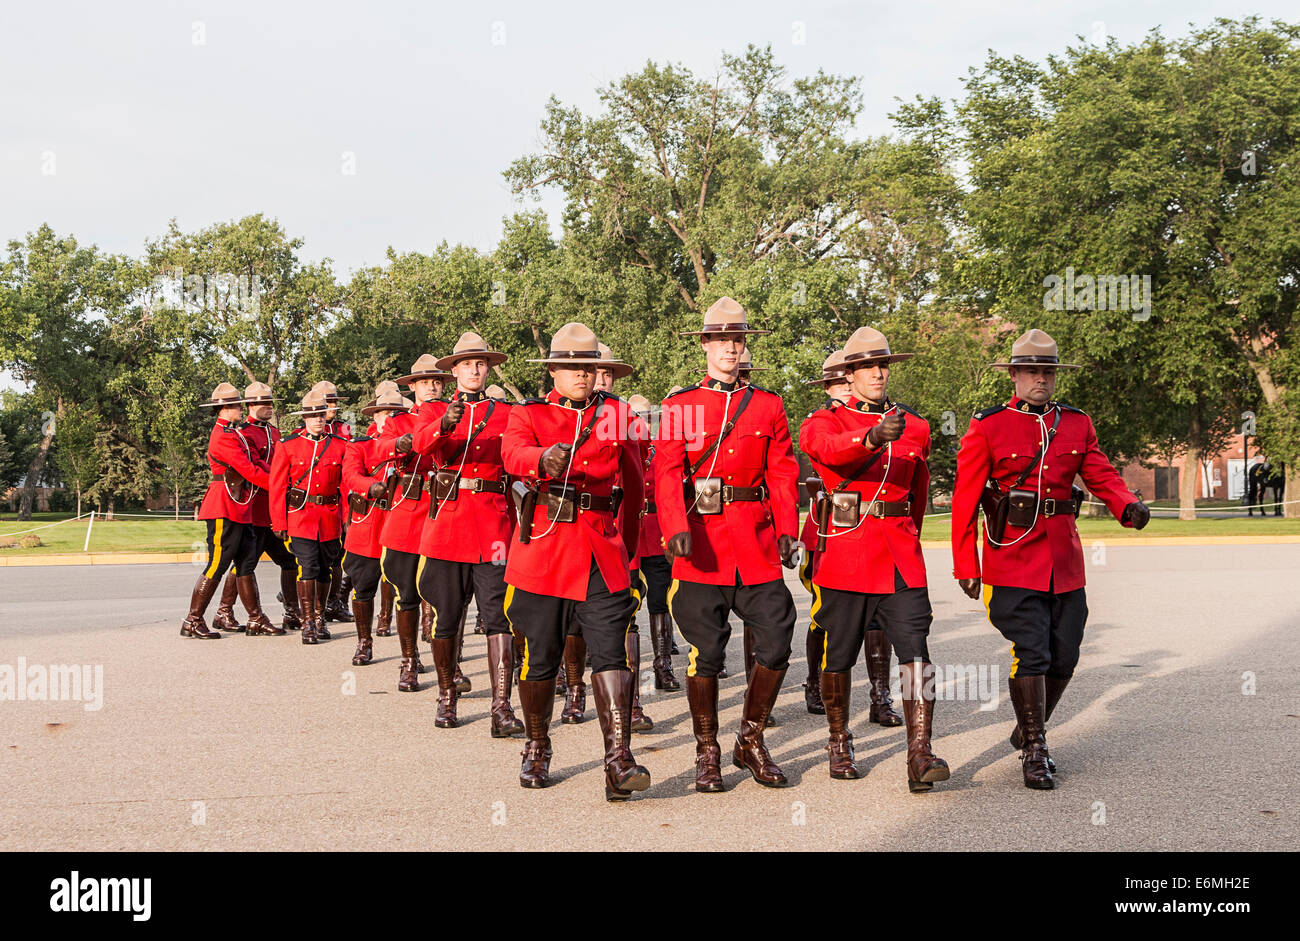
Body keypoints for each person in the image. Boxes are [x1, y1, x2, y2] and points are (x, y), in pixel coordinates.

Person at [951, 328, 1150, 789]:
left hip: (1064, 560)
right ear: (1015, 375)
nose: (1041, 378)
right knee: (1033, 652)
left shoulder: (1076, 423)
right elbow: (964, 501)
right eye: (1032, 371)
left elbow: (1099, 473)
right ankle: (1036, 748)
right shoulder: (989, 425)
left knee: (1066, 655)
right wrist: (967, 565)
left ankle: (1028, 723)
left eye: (1048, 371)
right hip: (1011, 558)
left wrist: (1127, 505)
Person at [654, 297, 801, 792]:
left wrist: (787, 528)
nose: (730, 350)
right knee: (706, 652)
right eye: (721, 341)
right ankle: (707, 749)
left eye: (737, 342)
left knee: (778, 637)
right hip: (700, 546)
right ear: (706, 346)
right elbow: (668, 472)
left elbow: (782, 472)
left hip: (754, 543)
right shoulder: (678, 406)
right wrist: (674, 525)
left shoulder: (768, 404)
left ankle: (751, 739)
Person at [501, 322, 648, 800]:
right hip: (544, 550)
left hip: (601, 553)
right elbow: (512, 452)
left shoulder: (621, 414)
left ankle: (618, 759)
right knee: (540, 658)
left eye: (588, 367)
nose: (582, 375)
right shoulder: (529, 413)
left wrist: (627, 553)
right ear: (554, 372)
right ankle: (537, 744)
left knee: (610, 653)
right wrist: (542, 459)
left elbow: (637, 487)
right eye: (571, 367)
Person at [799, 328, 944, 788]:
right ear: (849, 373)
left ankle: (919, 750)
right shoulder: (825, 421)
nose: (878, 373)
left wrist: (912, 539)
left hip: (900, 554)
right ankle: (839, 741)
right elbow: (826, 453)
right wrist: (872, 437)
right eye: (866, 367)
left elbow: (917, 494)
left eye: (883, 365)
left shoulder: (915, 425)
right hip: (847, 551)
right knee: (839, 654)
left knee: (916, 653)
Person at [402, 332, 524, 737]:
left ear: (488, 369)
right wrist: (443, 423)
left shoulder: (505, 411)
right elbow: (418, 446)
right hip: (449, 524)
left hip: (492, 523)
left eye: (481, 363)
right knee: (446, 617)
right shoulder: (433, 409)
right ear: (453, 371)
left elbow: (518, 455)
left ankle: (501, 706)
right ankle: (446, 695)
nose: (475, 369)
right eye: (467, 363)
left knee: (498, 618)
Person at [376, 355, 451, 690]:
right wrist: (402, 443)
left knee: (445, 594)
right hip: (409, 509)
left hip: (444, 509)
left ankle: (449, 661)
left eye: (436, 381)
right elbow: (382, 448)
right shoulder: (400, 421)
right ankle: (408, 661)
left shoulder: (456, 414)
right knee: (406, 592)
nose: (432, 387)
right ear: (413, 387)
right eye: (424, 382)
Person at [181, 383, 273, 639]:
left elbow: (256, 464)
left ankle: (256, 618)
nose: (241, 410)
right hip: (224, 505)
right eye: (236, 406)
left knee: (245, 563)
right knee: (217, 564)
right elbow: (249, 470)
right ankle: (192, 620)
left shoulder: (233, 433)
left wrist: (280, 478)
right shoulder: (222, 437)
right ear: (223, 409)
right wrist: (278, 486)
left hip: (238, 506)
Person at [211, 381, 299, 636]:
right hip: (254, 507)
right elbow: (254, 468)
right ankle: (225, 611)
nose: (269, 406)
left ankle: (292, 612)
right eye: (264, 403)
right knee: (244, 563)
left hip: (274, 508)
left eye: (271, 402)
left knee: (287, 560)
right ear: (250, 405)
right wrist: (280, 483)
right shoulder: (244, 433)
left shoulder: (273, 432)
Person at [795, 350, 852, 715]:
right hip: (826, 529)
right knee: (824, 611)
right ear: (830, 386)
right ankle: (814, 681)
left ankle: (880, 693)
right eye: (844, 382)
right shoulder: (823, 422)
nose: (850, 388)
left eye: (852, 380)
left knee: (876, 618)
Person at [269, 391, 348, 644]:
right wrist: (279, 522)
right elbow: (278, 486)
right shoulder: (288, 445)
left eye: (321, 415)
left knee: (326, 569)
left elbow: (345, 487)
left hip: (329, 518)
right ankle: (308, 622)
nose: (318, 420)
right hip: (300, 517)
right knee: (308, 567)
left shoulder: (340, 445)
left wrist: (347, 520)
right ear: (304, 417)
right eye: (313, 415)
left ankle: (320, 615)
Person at [341, 388, 409, 665]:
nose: (390, 418)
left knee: (407, 591)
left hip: (402, 522)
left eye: (396, 413)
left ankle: (410, 654)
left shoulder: (410, 444)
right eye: (384, 413)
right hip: (368, 523)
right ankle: (364, 641)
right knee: (364, 587)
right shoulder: (361, 445)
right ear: (375, 416)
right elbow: (350, 475)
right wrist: (372, 486)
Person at [628, 393, 680, 695]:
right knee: (629, 602)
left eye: (647, 416)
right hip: (632, 533)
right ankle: (629, 668)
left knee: (661, 601)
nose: (642, 422)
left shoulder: (662, 450)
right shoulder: (625, 448)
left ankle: (663, 664)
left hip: (657, 531)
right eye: (636, 416)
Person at [311, 380, 354, 623]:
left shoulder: (343, 430)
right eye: (329, 402)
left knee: (338, 555)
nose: (333, 407)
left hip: (339, 502)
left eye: (335, 402)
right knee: (312, 559)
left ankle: (334, 602)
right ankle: (306, 604)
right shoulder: (303, 434)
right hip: (315, 504)